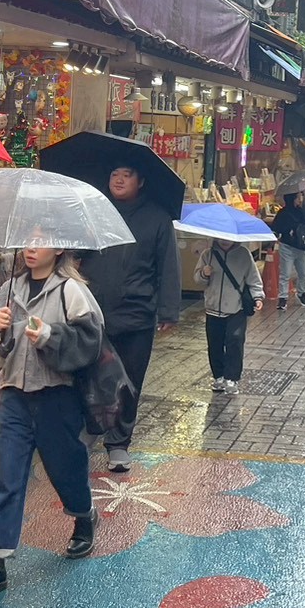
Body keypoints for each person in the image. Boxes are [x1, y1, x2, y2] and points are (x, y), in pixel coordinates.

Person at [0, 242, 104, 602]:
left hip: (58, 397)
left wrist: (51, 336)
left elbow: (92, 342)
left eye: (42, 243)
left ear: (59, 250)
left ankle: (84, 514)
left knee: (66, 469)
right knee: (7, 478)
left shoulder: (73, 290)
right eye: (28, 242)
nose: (31, 250)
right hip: (14, 398)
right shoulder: (9, 289)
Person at [78, 161, 181, 473]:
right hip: (93, 312)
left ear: (141, 180)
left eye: (126, 174)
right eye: (114, 173)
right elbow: (74, 253)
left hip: (137, 315)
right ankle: (91, 430)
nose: (119, 179)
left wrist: (168, 310)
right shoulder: (95, 212)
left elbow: (168, 266)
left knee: (129, 382)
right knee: (88, 375)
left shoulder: (157, 219)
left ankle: (119, 442)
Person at [195, 238, 265, 394]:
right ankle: (218, 376)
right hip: (213, 308)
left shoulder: (244, 255)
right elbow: (198, 280)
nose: (225, 241)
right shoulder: (208, 255)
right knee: (215, 344)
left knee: (235, 342)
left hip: (236, 308)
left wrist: (258, 297)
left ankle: (232, 378)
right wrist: (204, 273)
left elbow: (253, 278)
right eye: (222, 238)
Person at [271, 192, 305, 310]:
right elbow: (276, 228)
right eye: (298, 197)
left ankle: (302, 293)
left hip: (301, 247)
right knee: (285, 273)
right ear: (292, 199)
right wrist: (288, 231)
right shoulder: (282, 213)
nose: (300, 199)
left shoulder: (301, 211)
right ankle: (283, 298)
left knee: (303, 272)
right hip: (287, 246)